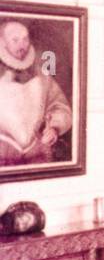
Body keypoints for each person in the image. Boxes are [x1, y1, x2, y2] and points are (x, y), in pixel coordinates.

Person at [0, 19, 72, 165]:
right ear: (2, 43)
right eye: (15, 40)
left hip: (36, 156)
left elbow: (60, 107)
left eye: (25, 39)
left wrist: (54, 128)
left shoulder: (42, 76)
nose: (22, 45)